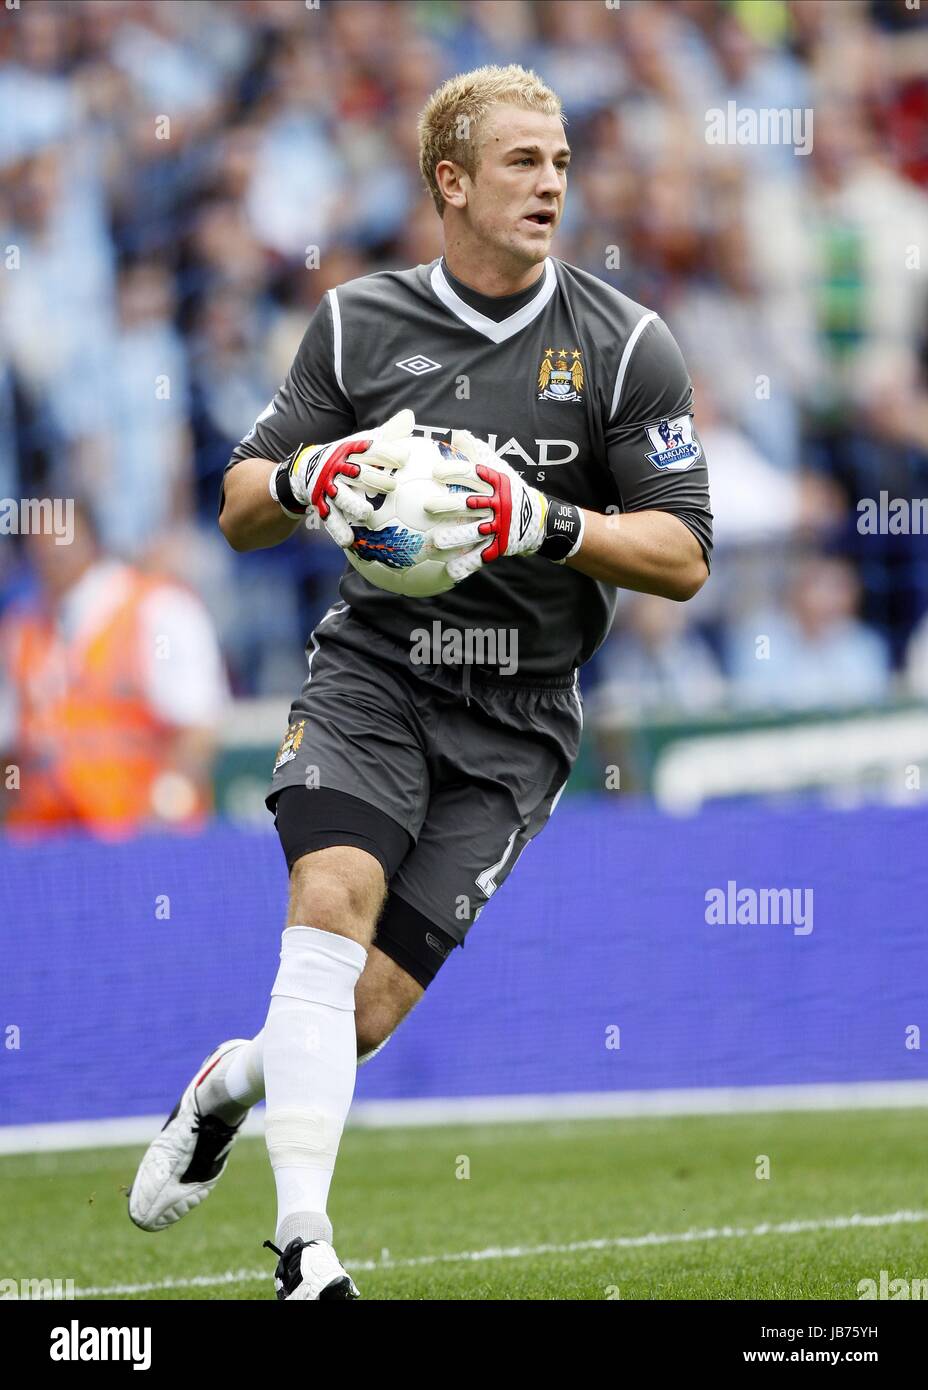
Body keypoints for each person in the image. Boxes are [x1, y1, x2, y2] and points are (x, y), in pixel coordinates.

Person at [128, 64, 712, 1300]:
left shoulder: (625, 344)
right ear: (450, 182)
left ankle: (229, 1083)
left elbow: (684, 554)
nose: (552, 180)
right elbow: (238, 503)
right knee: (329, 894)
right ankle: (304, 1248)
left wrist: (542, 520)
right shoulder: (355, 324)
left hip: (519, 718)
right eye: (521, 161)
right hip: (375, 675)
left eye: (559, 161)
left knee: (358, 1016)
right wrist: (304, 481)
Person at [0, 500, 226, 836]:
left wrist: (160, 814)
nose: (48, 549)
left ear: (91, 537)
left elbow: (198, 730)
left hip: (139, 844)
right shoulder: (21, 629)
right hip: (47, 853)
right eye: (38, 538)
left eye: (59, 534)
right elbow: (10, 753)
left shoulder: (158, 610)